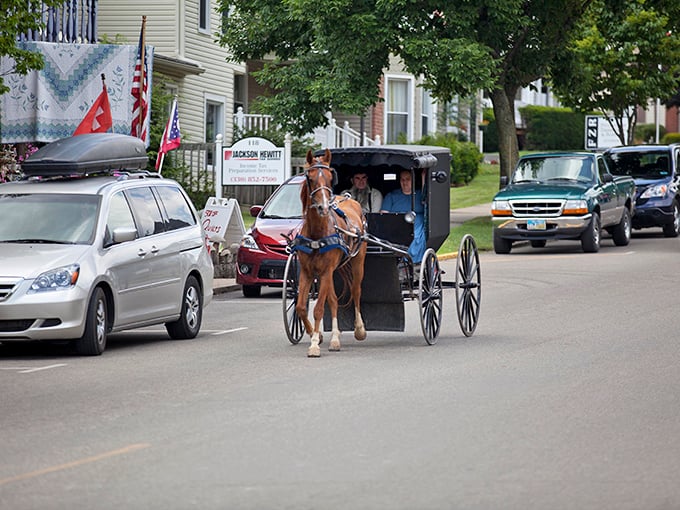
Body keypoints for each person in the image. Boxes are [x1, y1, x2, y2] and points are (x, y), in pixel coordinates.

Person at [381, 169, 426, 263]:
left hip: (416, 223)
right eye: (402, 180)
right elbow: (384, 214)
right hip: (396, 223)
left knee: (415, 237)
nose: (405, 182)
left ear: (413, 180)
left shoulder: (419, 195)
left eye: (408, 179)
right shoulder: (392, 196)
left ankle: (412, 262)